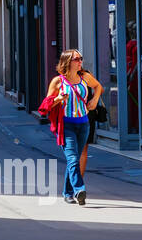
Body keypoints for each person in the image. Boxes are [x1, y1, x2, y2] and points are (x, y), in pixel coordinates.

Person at [44, 50, 104, 205]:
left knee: (75, 159)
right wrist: (58, 98)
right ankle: (79, 189)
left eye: (81, 59)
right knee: (72, 158)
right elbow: (46, 105)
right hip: (66, 125)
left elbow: (98, 87)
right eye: (76, 59)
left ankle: (67, 192)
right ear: (67, 62)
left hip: (84, 123)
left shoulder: (85, 76)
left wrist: (95, 99)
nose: (80, 62)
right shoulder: (58, 82)